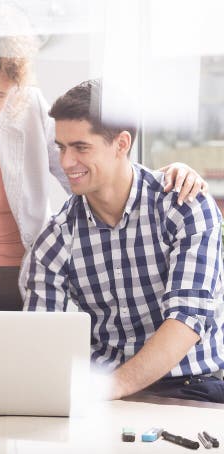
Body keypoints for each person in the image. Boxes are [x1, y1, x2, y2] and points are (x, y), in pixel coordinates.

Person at [0, 9, 208, 312]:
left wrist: (157, 181)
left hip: (40, 277)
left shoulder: (28, 109)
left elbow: (85, 169)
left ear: (13, 90)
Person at [24, 79, 224, 402]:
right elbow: (42, 340)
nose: (65, 162)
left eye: (80, 147)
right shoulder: (56, 239)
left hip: (190, 389)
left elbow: (187, 320)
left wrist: (112, 387)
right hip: (104, 396)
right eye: (61, 147)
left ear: (121, 144)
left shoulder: (183, 208)